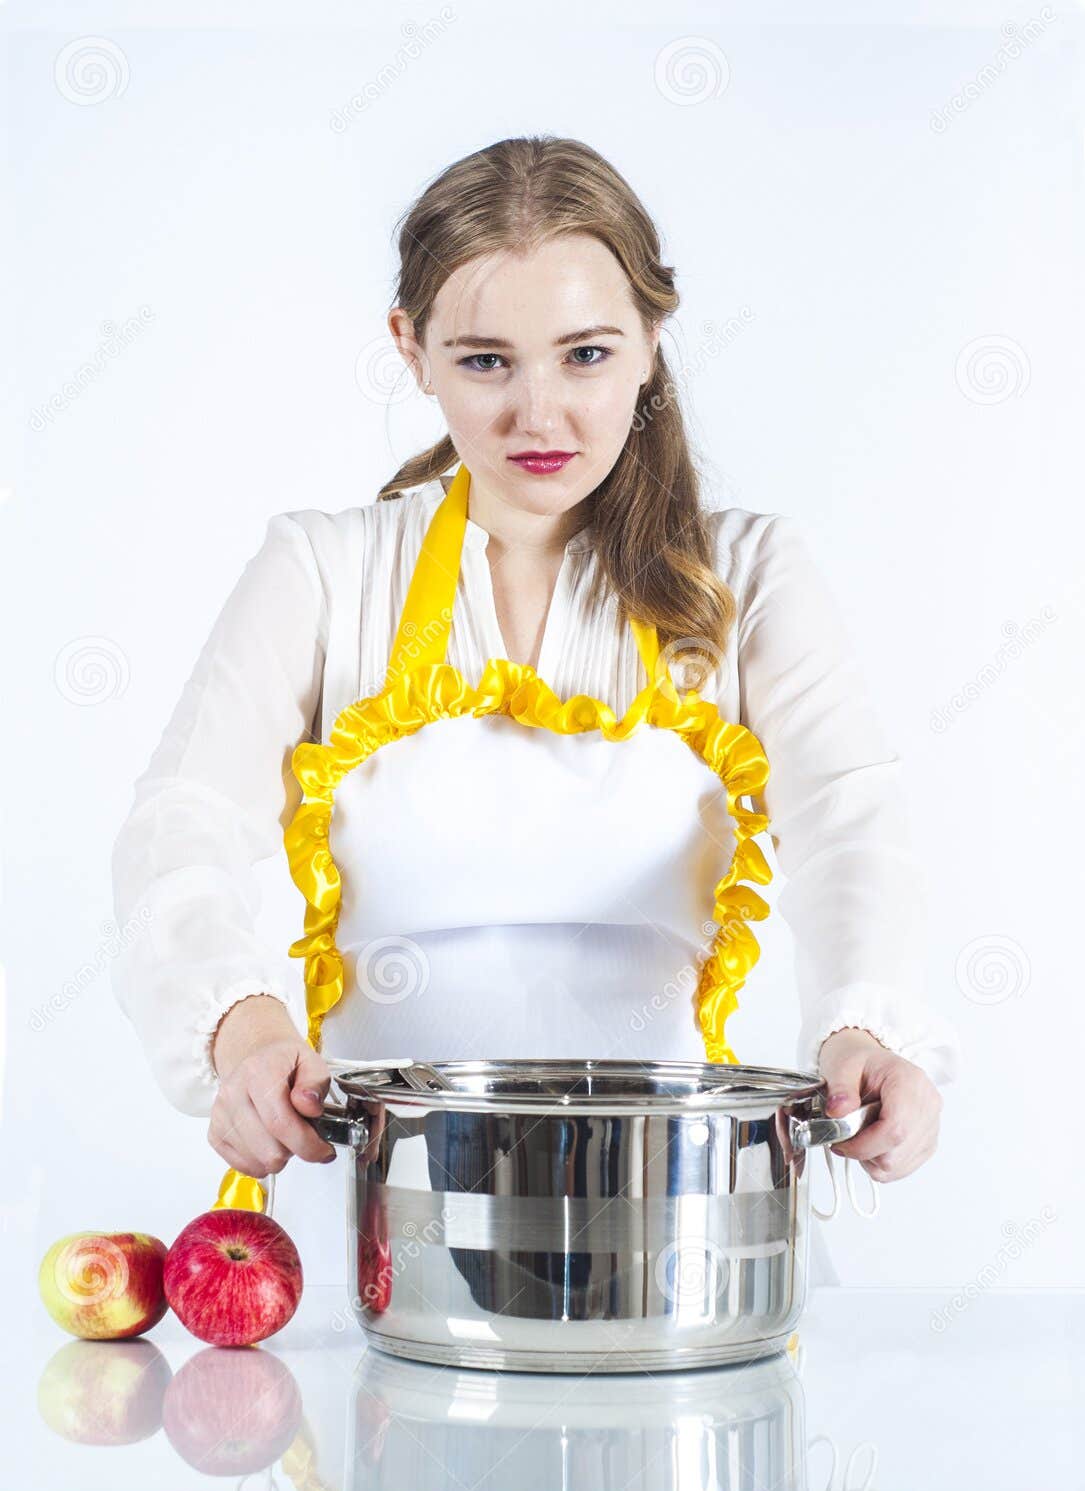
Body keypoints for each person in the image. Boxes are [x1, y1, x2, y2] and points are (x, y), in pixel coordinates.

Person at [110, 135, 960, 1287]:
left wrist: (866, 1028)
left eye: (586, 354)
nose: (538, 414)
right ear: (409, 350)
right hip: (380, 1220)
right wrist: (242, 1029)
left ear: (652, 342)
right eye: (484, 361)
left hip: (672, 1223)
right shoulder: (321, 573)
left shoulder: (751, 577)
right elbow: (182, 821)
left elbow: (849, 823)